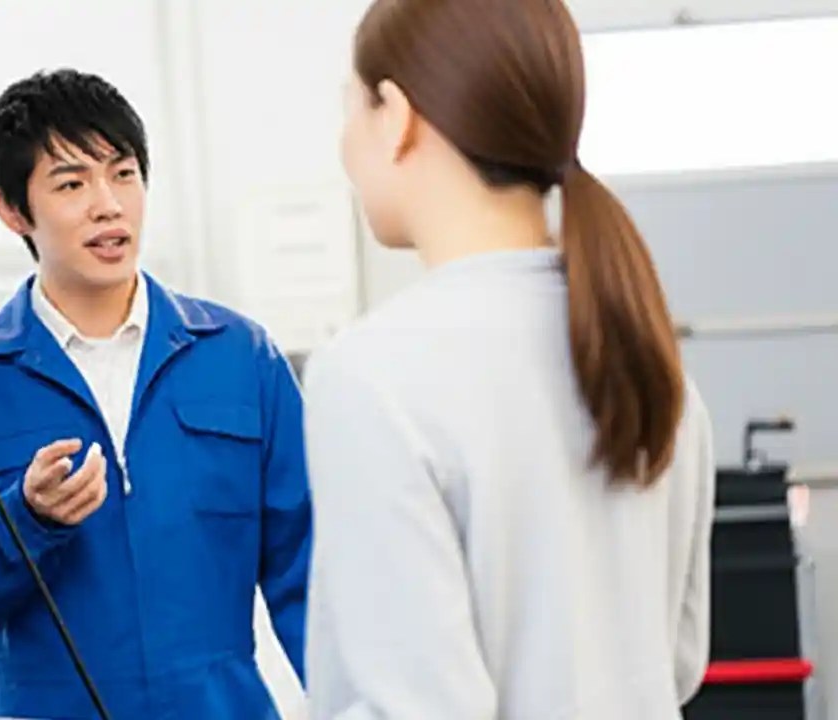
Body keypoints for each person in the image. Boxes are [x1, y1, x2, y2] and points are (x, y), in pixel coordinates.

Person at [302, 1, 715, 718]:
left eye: (351, 108)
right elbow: (674, 662)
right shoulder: (647, 358)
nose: (345, 143)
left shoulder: (371, 376)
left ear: (396, 117)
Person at [0, 68, 311, 719]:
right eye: (72, 183)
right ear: (11, 208)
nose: (108, 204)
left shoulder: (240, 358)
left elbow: (310, 575)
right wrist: (24, 519)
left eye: (124, 173)